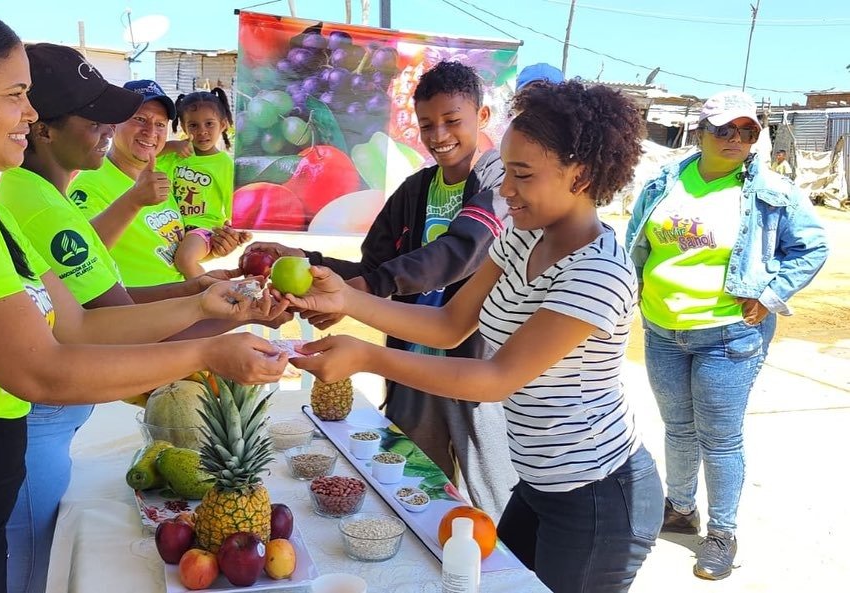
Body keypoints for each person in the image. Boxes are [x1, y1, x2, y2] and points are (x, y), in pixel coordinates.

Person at [0, 6, 287, 593]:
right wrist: (204, 355)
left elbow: (74, 326)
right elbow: (39, 369)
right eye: (16, 95)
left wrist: (205, 309)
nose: (31, 113)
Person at [285, 80, 663, 593]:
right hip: (539, 482)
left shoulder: (597, 274)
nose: (505, 189)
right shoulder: (524, 236)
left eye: (522, 175)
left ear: (582, 175)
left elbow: (495, 378)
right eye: (505, 170)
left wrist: (368, 358)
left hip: (596, 495)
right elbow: (449, 325)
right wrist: (348, 300)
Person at [0, 43, 287, 593]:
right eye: (97, 116)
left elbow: (94, 315)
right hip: (40, 424)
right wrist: (215, 323)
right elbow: (108, 326)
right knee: (29, 573)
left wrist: (208, 302)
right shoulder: (42, 207)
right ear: (43, 129)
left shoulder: (38, 195)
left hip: (52, 420)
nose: (110, 127)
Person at [244, 60, 518, 520]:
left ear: (482, 118)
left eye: (453, 121)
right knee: (413, 483)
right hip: (411, 361)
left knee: (494, 498)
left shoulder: (498, 184)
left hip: (476, 366)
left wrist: (360, 291)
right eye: (428, 124)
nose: (439, 135)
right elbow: (373, 267)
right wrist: (302, 262)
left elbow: (462, 250)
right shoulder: (413, 190)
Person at [625, 90, 828, 581]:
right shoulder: (664, 183)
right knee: (677, 428)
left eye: (748, 130)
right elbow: (638, 243)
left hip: (728, 335)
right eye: (725, 129)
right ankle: (679, 507)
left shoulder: (770, 190)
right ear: (701, 132)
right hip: (662, 328)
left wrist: (770, 295)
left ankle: (721, 533)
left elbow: (812, 247)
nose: (736, 138)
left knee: (719, 439)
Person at [67, 80, 249, 290]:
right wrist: (133, 201)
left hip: (180, 309)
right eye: (140, 119)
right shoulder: (90, 184)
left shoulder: (162, 174)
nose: (150, 131)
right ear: (113, 124)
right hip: (140, 315)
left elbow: (166, 248)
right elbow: (80, 256)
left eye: (160, 124)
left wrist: (213, 249)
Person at [162, 88, 250, 278]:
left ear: (223, 124)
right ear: (184, 128)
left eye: (209, 124)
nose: (202, 131)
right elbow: (145, 157)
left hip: (203, 227)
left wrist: (239, 230)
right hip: (168, 226)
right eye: (193, 125)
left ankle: (209, 292)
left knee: (184, 259)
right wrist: (171, 146)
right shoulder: (174, 156)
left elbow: (234, 203)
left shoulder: (225, 164)